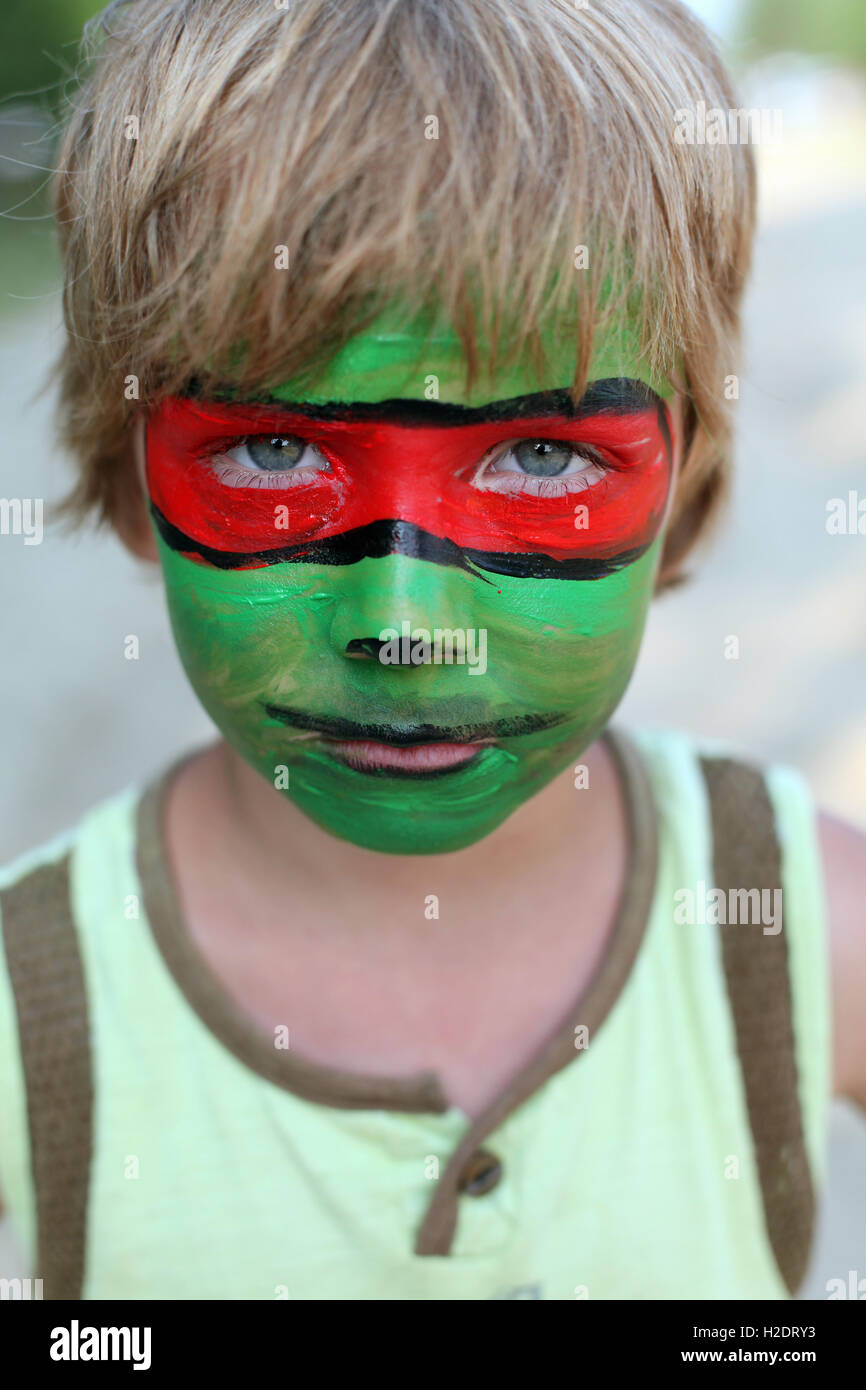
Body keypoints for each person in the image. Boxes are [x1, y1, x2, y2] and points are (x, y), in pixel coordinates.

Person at [0, 0, 863, 1301]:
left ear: (680, 486)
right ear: (132, 480)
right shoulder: (33, 1006)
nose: (402, 623)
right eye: (272, 450)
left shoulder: (802, 927)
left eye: (540, 456)